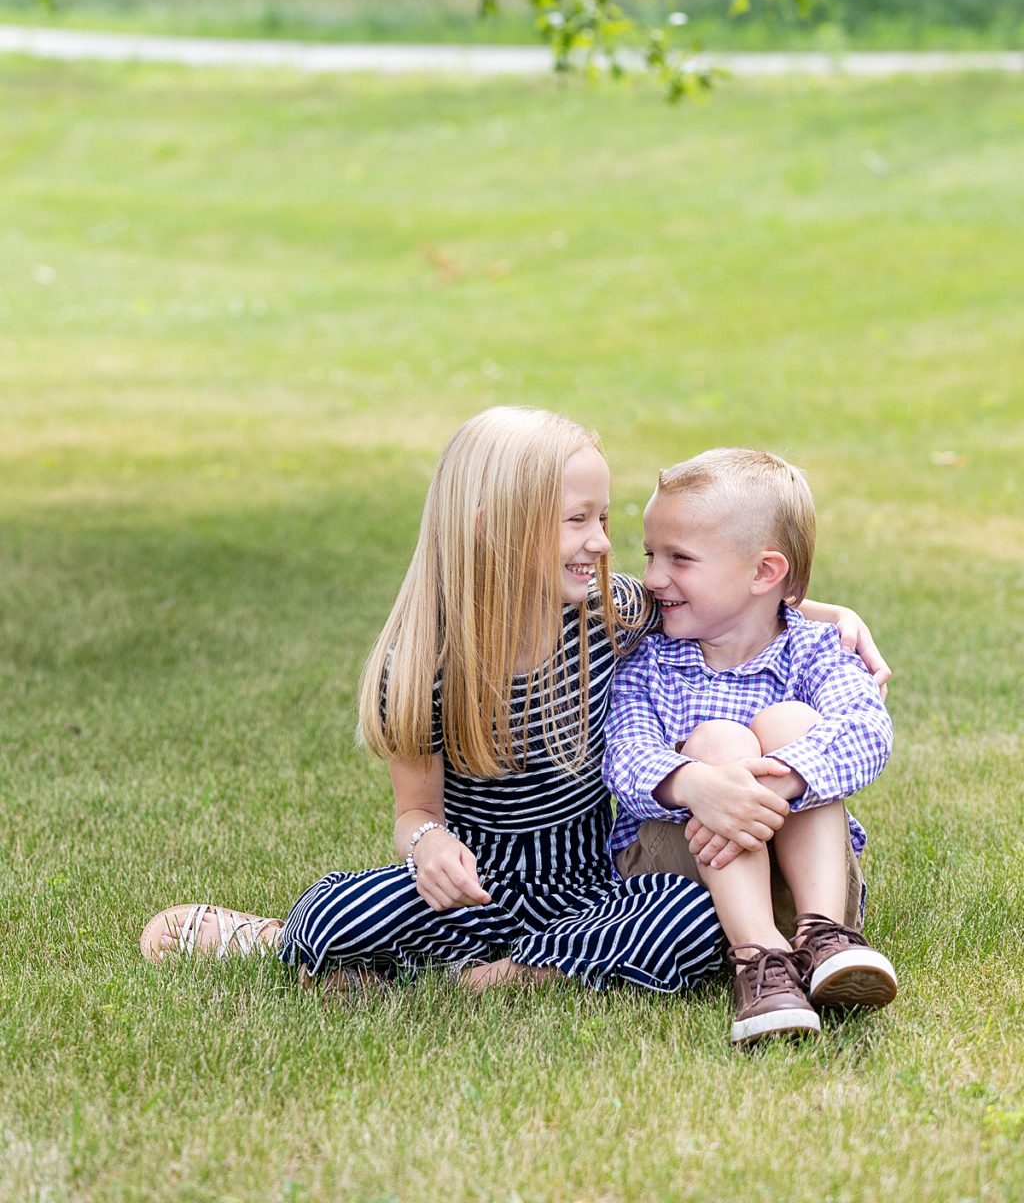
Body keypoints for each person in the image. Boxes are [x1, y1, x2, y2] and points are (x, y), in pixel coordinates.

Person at [140, 409, 889, 998]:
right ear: (494, 526)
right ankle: (278, 940)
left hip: (596, 878)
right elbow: (413, 814)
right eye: (579, 520)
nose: (602, 543)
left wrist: (822, 611)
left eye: (603, 519)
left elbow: (723, 598)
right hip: (483, 881)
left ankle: (494, 975)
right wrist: (426, 848)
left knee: (693, 922)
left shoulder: (611, 613)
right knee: (332, 914)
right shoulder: (424, 668)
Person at [604, 447, 896, 1048]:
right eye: (650, 556)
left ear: (764, 573)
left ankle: (824, 937)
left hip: (799, 885)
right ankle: (758, 960)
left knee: (793, 723)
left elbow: (869, 729)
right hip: (677, 888)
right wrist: (703, 786)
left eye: (680, 559)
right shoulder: (647, 657)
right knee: (718, 740)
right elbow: (626, 757)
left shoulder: (815, 649)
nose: (655, 578)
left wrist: (783, 778)